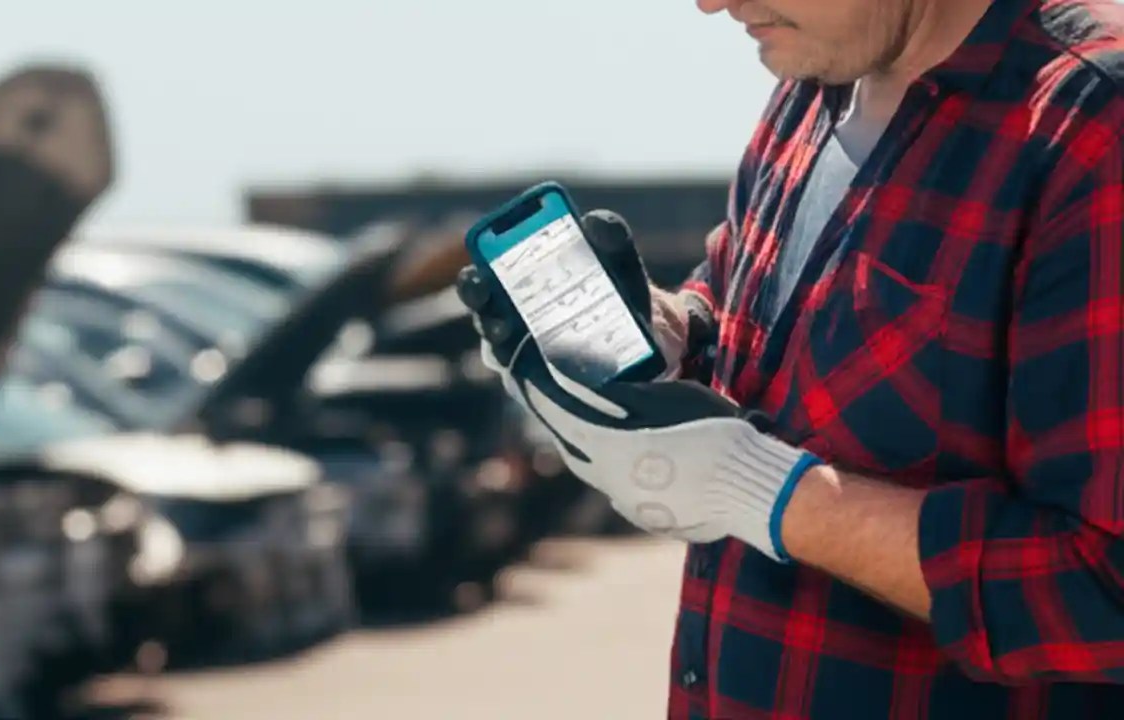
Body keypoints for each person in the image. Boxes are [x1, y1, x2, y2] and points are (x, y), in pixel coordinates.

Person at [456, 0, 1124, 717]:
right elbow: (766, 328)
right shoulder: (814, 80)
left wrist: (765, 494)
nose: (710, 1)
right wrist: (674, 334)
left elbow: (1104, 587)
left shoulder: (1093, 125)